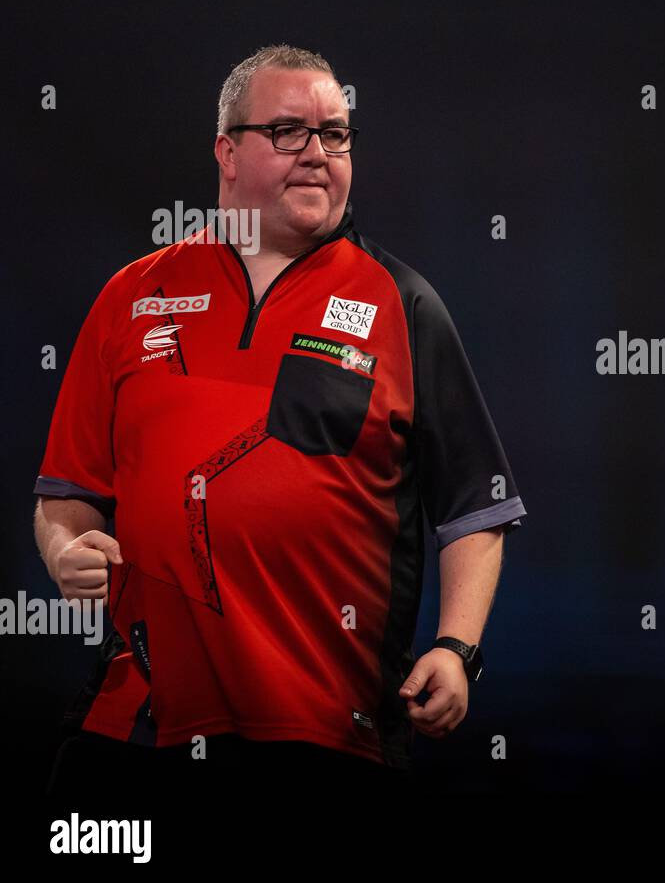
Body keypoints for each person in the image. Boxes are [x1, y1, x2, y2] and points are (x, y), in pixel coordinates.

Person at [34, 44, 526, 798]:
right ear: (227, 153)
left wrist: (458, 648)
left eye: (335, 134)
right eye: (290, 132)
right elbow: (65, 494)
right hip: (136, 730)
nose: (319, 154)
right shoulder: (130, 298)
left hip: (328, 739)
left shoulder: (404, 303)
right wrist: (64, 551)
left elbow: (476, 506)